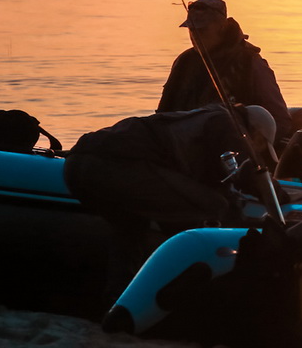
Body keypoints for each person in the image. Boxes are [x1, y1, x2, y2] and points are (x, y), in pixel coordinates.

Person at [64, 103, 285, 303]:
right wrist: (281, 197)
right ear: (254, 132)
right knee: (213, 207)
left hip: (77, 164)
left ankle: (118, 296)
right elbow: (248, 170)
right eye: (260, 146)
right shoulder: (226, 121)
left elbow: (219, 180)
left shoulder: (204, 122)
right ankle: (191, 290)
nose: (258, 153)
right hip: (114, 164)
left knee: (130, 228)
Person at [158, 0, 294, 148]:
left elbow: (280, 119)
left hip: (234, 150)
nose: (195, 36)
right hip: (187, 146)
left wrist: (253, 146)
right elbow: (163, 112)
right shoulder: (184, 61)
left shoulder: (249, 62)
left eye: (202, 29)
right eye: (192, 29)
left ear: (221, 27)